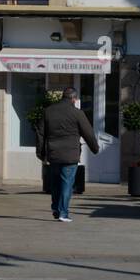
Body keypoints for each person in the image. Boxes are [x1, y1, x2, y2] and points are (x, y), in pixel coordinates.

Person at [36, 87, 99, 221]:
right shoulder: (77, 113)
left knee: (55, 183)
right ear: (74, 99)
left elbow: (40, 134)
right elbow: (88, 133)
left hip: (53, 154)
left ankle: (55, 208)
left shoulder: (48, 111)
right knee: (66, 184)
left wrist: (41, 153)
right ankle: (63, 213)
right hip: (70, 155)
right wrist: (95, 148)